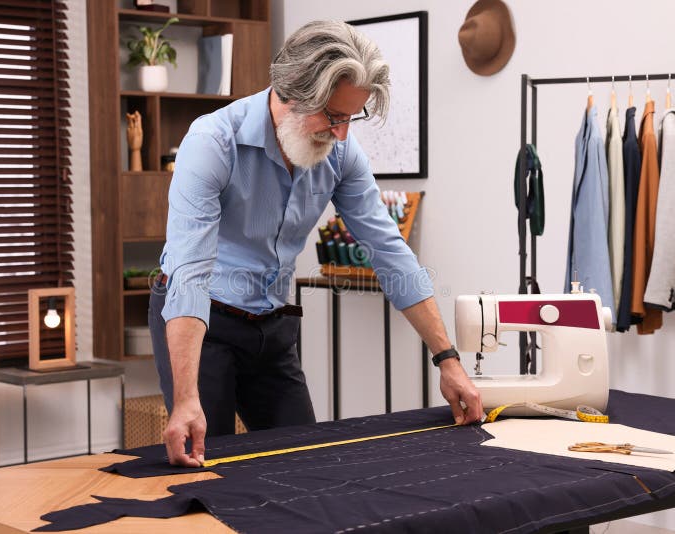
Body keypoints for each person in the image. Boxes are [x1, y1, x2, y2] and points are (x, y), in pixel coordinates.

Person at [148, 20, 483, 467]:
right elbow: (190, 271)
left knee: (306, 465)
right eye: (332, 116)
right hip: (201, 320)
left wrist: (448, 360)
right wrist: (186, 398)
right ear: (291, 93)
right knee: (209, 468)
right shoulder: (212, 142)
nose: (342, 133)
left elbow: (390, 252)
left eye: (351, 117)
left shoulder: (342, 154)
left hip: (271, 324)